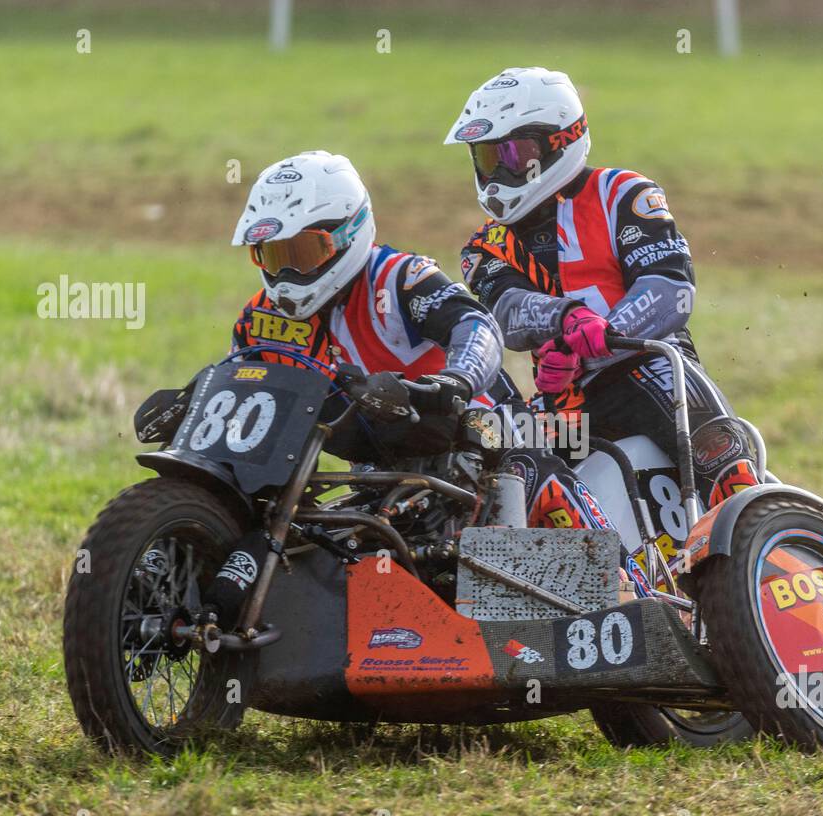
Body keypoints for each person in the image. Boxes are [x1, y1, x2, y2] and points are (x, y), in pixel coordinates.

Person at [443, 67, 758, 530]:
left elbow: (673, 291)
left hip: (647, 368)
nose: (499, 172)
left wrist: (604, 337)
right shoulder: (483, 247)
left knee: (714, 446)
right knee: (501, 460)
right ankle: (598, 570)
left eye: (514, 153)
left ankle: (759, 535)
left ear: (559, 140)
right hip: (564, 408)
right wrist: (567, 322)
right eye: (488, 157)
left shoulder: (622, 193)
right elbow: (507, 316)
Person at [229, 150, 514, 457]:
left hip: (485, 433)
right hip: (381, 465)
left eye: (301, 254)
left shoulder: (399, 278)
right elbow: (236, 396)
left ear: (347, 233)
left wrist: (457, 380)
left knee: (541, 485)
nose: (287, 273)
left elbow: (475, 324)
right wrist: (189, 407)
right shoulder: (260, 319)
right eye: (273, 256)